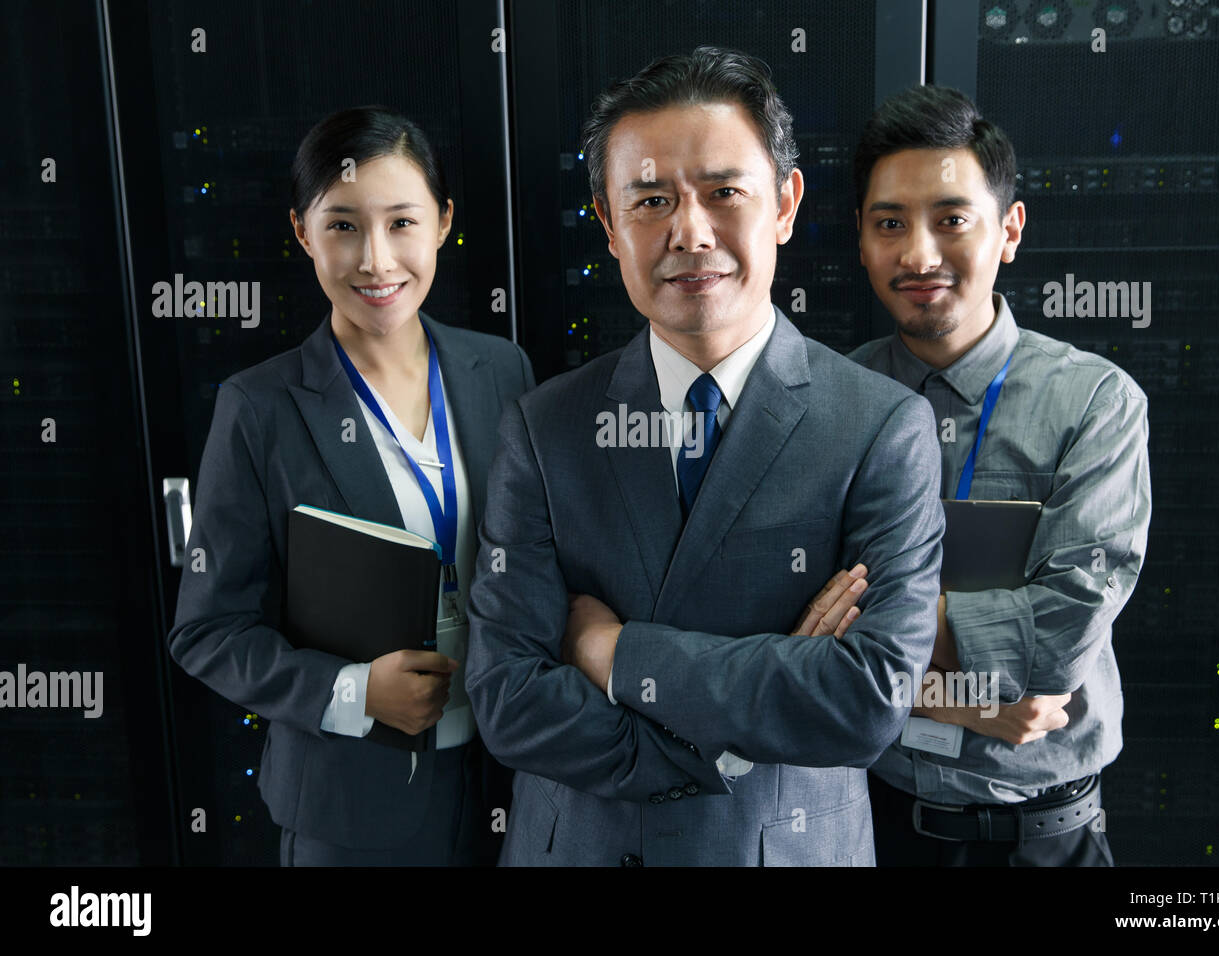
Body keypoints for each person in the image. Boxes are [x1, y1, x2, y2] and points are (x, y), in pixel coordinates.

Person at [465, 47, 944, 867]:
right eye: (651, 199)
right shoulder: (546, 426)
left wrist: (611, 654)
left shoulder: (881, 426)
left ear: (786, 203)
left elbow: (864, 704)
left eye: (724, 192)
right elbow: (507, 700)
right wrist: (722, 744)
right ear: (610, 226)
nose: (690, 231)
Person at [168, 106, 534, 866]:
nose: (376, 259)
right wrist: (354, 692)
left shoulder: (501, 370)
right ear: (303, 232)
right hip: (353, 804)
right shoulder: (259, 408)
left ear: (443, 223)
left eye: (402, 222)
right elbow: (206, 632)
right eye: (343, 226)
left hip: (508, 778)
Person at [847, 85, 1151, 865]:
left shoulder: (1094, 400)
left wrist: (880, 636)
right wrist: (959, 696)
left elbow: (1066, 626)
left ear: (1008, 230)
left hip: (1045, 837)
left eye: (951, 219)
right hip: (873, 824)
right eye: (890, 224)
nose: (918, 255)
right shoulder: (831, 400)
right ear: (862, 238)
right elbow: (782, 619)